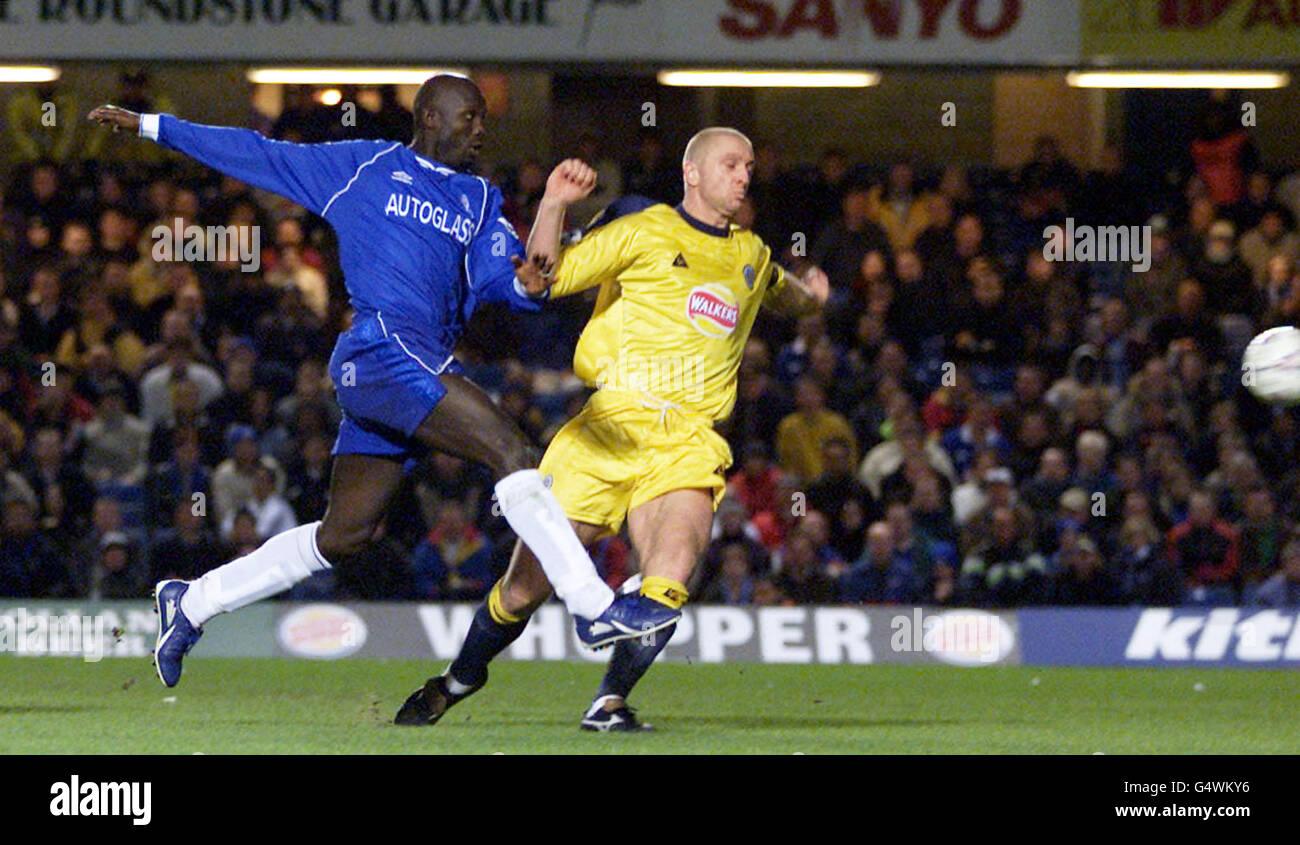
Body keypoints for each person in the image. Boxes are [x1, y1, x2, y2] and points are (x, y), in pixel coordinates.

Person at [87, 74, 665, 690]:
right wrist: (152, 126)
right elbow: (256, 154)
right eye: (468, 117)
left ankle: (192, 602)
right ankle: (594, 608)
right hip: (381, 352)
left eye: (480, 119)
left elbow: (525, 288)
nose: (479, 128)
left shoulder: (479, 198)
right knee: (513, 450)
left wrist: (551, 203)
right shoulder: (362, 167)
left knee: (347, 532)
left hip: (410, 368)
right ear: (430, 119)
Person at [398, 127, 828, 731]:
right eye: (731, 164)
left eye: (750, 166)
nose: (744, 175)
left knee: (668, 583)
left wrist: (812, 296)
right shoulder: (643, 230)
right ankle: (458, 679)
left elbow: (784, 295)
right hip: (607, 428)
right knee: (521, 591)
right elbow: (542, 278)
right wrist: (552, 204)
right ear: (693, 174)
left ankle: (608, 703)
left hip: (688, 442)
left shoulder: (752, 255)